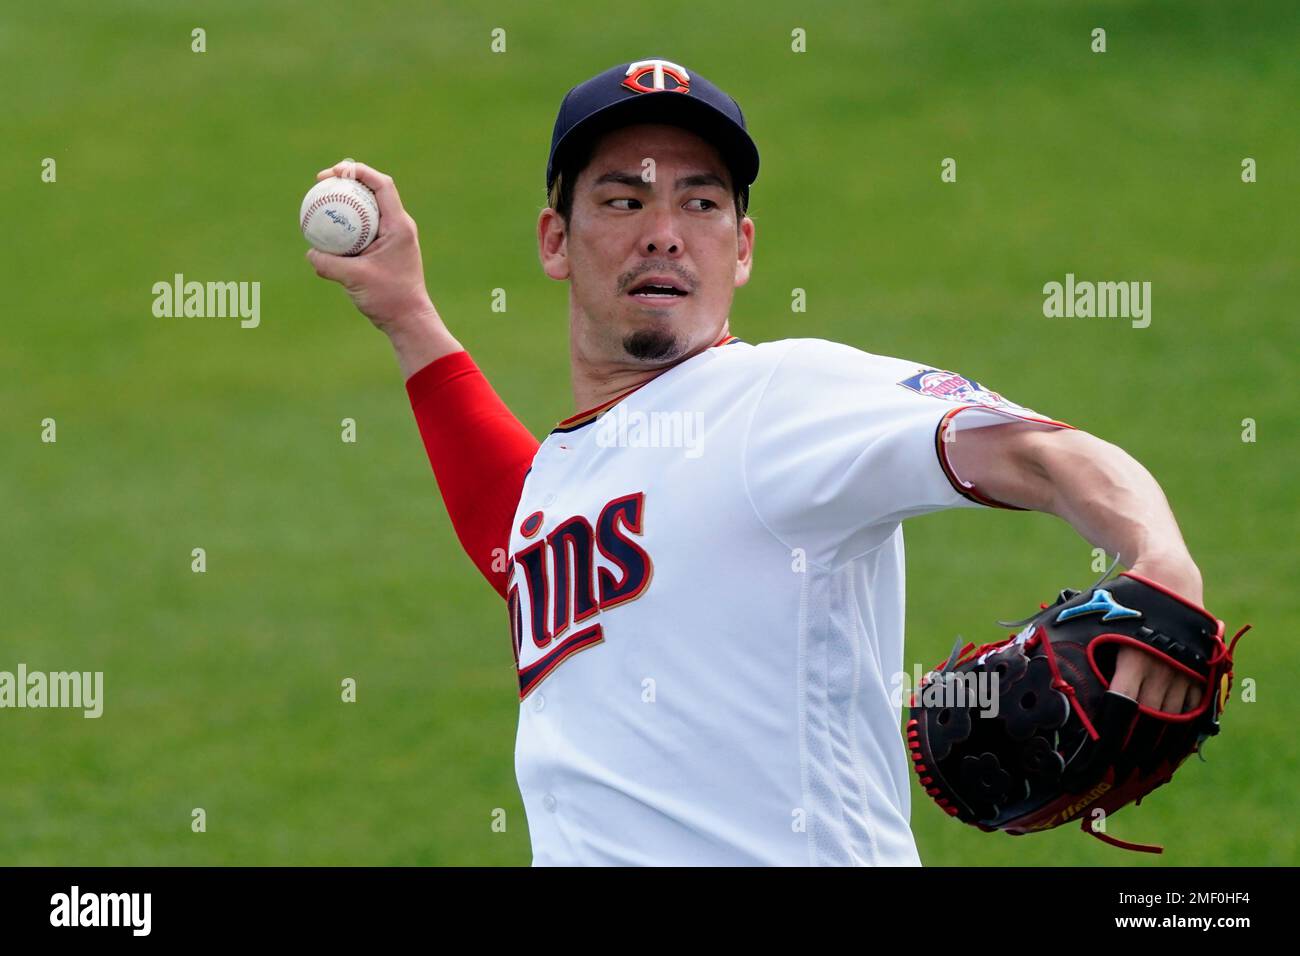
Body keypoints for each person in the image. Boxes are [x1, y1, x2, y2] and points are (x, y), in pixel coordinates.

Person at [307, 58, 1206, 866]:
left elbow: (1042, 455)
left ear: (741, 248)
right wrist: (407, 314)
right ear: (554, 239)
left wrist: (1157, 556)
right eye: (625, 201)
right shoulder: (567, 476)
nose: (664, 232)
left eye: (700, 203)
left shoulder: (785, 396)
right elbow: (524, 533)